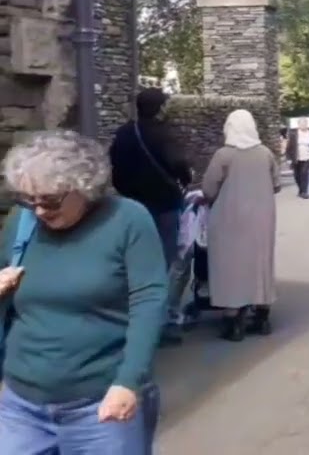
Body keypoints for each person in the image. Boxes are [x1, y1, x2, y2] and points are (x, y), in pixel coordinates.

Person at [0, 130, 166, 454]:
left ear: (84, 186)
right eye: (28, 200)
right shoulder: (21, 222)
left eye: (49, 200)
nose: (38, 211)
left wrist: (129, 381)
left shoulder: (128, 219)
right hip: (22, 406)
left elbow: (149, 301)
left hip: (100, 406)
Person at [108, 87, 193, 346]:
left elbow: (115, 168)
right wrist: (184, 180)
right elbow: (180, 166)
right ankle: (163, 321)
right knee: (166, 263)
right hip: (164, 206)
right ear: (159, 107)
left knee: (134, 263)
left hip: (132, 205)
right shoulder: (163, 135)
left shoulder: (124, 133)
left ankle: (130, 319)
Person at [202, 109, 281, 341]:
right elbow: (276, 185)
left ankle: (233, 320)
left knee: (231, 266)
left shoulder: (224, 155)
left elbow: (208, 190)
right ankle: (262, 316)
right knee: (260, 264)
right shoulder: (265, 153)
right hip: (262, 219)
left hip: (229, 219)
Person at [284, 118, 309, 198]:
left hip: (308, 157)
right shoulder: (294, 134)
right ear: (298, 125)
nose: (303, 125)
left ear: (307, 124)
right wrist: (288, 158)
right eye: (301, 124)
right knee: (297, 175)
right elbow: (289, 147)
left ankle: (304, 192)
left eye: (304, 124)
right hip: (296, 157)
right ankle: (301, 189)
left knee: (304, 173)